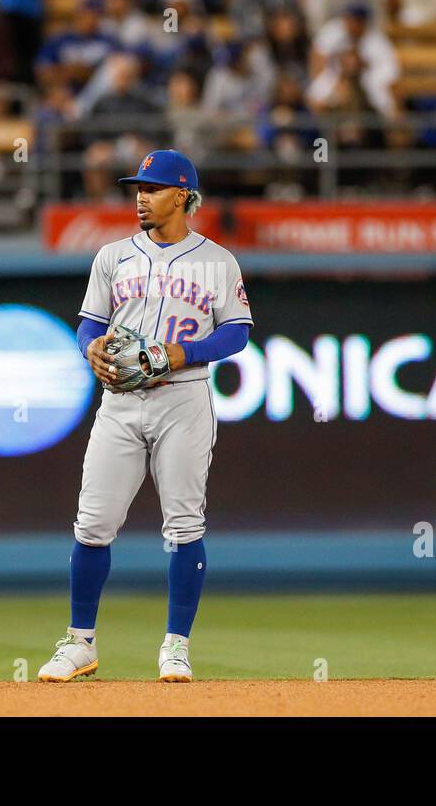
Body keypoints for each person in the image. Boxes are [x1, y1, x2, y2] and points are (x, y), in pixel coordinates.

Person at [38, 149, 253, 683]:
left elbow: (238, 331)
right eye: (137, 188)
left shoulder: (218, 261)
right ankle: (79, 644)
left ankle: (176, 647)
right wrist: (89, 348)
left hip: (183, 396)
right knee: (92, 524)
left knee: (184, 524)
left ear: (182, 195)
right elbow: (90, 323)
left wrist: (185, 352)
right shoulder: (113, 256)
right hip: (120, 402)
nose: (141, 197)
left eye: (152, 188)